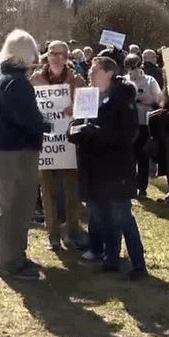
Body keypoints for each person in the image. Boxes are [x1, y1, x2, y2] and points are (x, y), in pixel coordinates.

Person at [69, 56, 147, 281]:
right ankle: (111, 258)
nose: (90, 74)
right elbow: (76, 124)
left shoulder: (122, 99)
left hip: (116, 169)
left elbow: (127, 135)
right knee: (101, 215)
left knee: (122, 217)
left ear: (109, 73)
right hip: (92, 168)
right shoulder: (88, 97)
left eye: (94, 70)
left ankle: (138, 264)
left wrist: (96, 131)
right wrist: (74, 132)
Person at [0, 29, 51, 281]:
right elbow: (27, 118)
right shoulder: (17, 82)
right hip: (17, 151)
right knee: (17, 208)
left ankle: (12, 256)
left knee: (8, 206)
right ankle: (11, 261)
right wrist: (47, 125)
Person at [30, 41, 87, 251]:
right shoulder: (35, 80)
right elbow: (28, 106)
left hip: (68, 142)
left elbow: (87, 108)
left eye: (62, 54)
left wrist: (76, 108)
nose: (57, 58)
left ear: (67, 57)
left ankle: (73, 229)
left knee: (71, 189)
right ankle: (52, 234)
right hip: (45, 143)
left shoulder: (77, 80)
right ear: (47, 55)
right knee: (47, 189)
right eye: (53, 53)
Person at [124, 53, 162, 199]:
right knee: (129, 157)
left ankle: (142, 188)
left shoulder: (149, 81)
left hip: (145, 124)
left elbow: (158, 99)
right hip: (129, 125)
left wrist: (147, 101)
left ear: (140, 66)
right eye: (130, 68)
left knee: (143, 157)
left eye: (134, 67)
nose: (132, 71)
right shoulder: (125, 81)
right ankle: (130, 186)